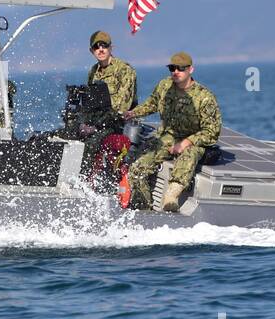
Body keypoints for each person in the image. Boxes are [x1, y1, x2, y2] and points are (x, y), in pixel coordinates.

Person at [122, 51, 221, 211]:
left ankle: (171, 197)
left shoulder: (204, 97)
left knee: (189, 155)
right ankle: (144, 208)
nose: (176, 72)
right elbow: (152, 104)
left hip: (192, 140)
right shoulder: (165, 86)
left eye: (181, 68)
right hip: (167, 137)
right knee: (137, 169)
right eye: (172, 68)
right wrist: (133, 113)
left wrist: (186, 142)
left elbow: (212, 131)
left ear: (190, 70)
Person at [80, 29, 137, 141]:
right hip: (98, 120)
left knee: (90, 145)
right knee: (68, 134)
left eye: (104, 46)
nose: (100, 50)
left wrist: (95, 126)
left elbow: (121, 108)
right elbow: (90, 103)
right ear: (91, 51)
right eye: (96, 47)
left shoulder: (124, 70)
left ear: (111, 48)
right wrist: (83, 122)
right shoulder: (93, 71)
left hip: (119, 122)